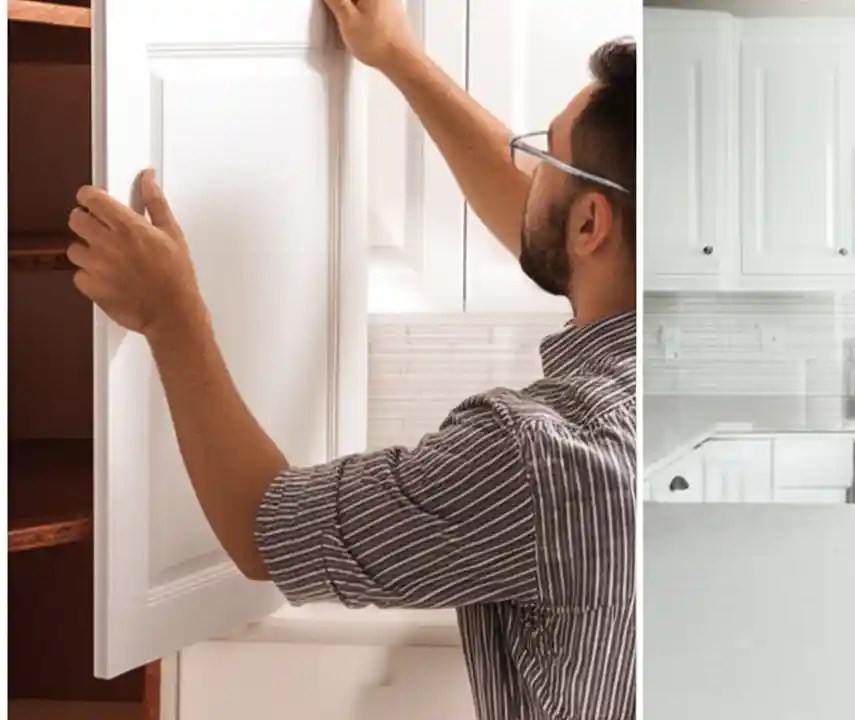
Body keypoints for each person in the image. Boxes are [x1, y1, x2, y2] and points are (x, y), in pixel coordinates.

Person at [64, 0, 636, 716]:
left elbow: (262, 529)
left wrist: (170, 314)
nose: (529, 169)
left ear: (591, 224)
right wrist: (399, 55)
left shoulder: (544, 459)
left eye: (545, 153)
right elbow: (549, 225)